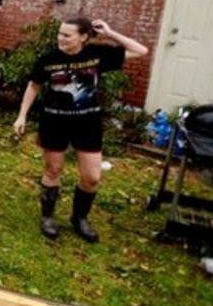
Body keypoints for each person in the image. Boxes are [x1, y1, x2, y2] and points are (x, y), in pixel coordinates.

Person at [14, 17, 148, 242]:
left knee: (92, 177)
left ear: (83, 37)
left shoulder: (96, 55)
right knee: (53, 170)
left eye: (67, 35)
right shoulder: (48, 59)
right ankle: (47, 217)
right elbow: (34, 85)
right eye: (60, 33)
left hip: (87, 124)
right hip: (55, 123)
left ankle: (79, 218)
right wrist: (22, 116)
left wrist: (110, 32)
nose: (61, 38)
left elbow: (140, 50)